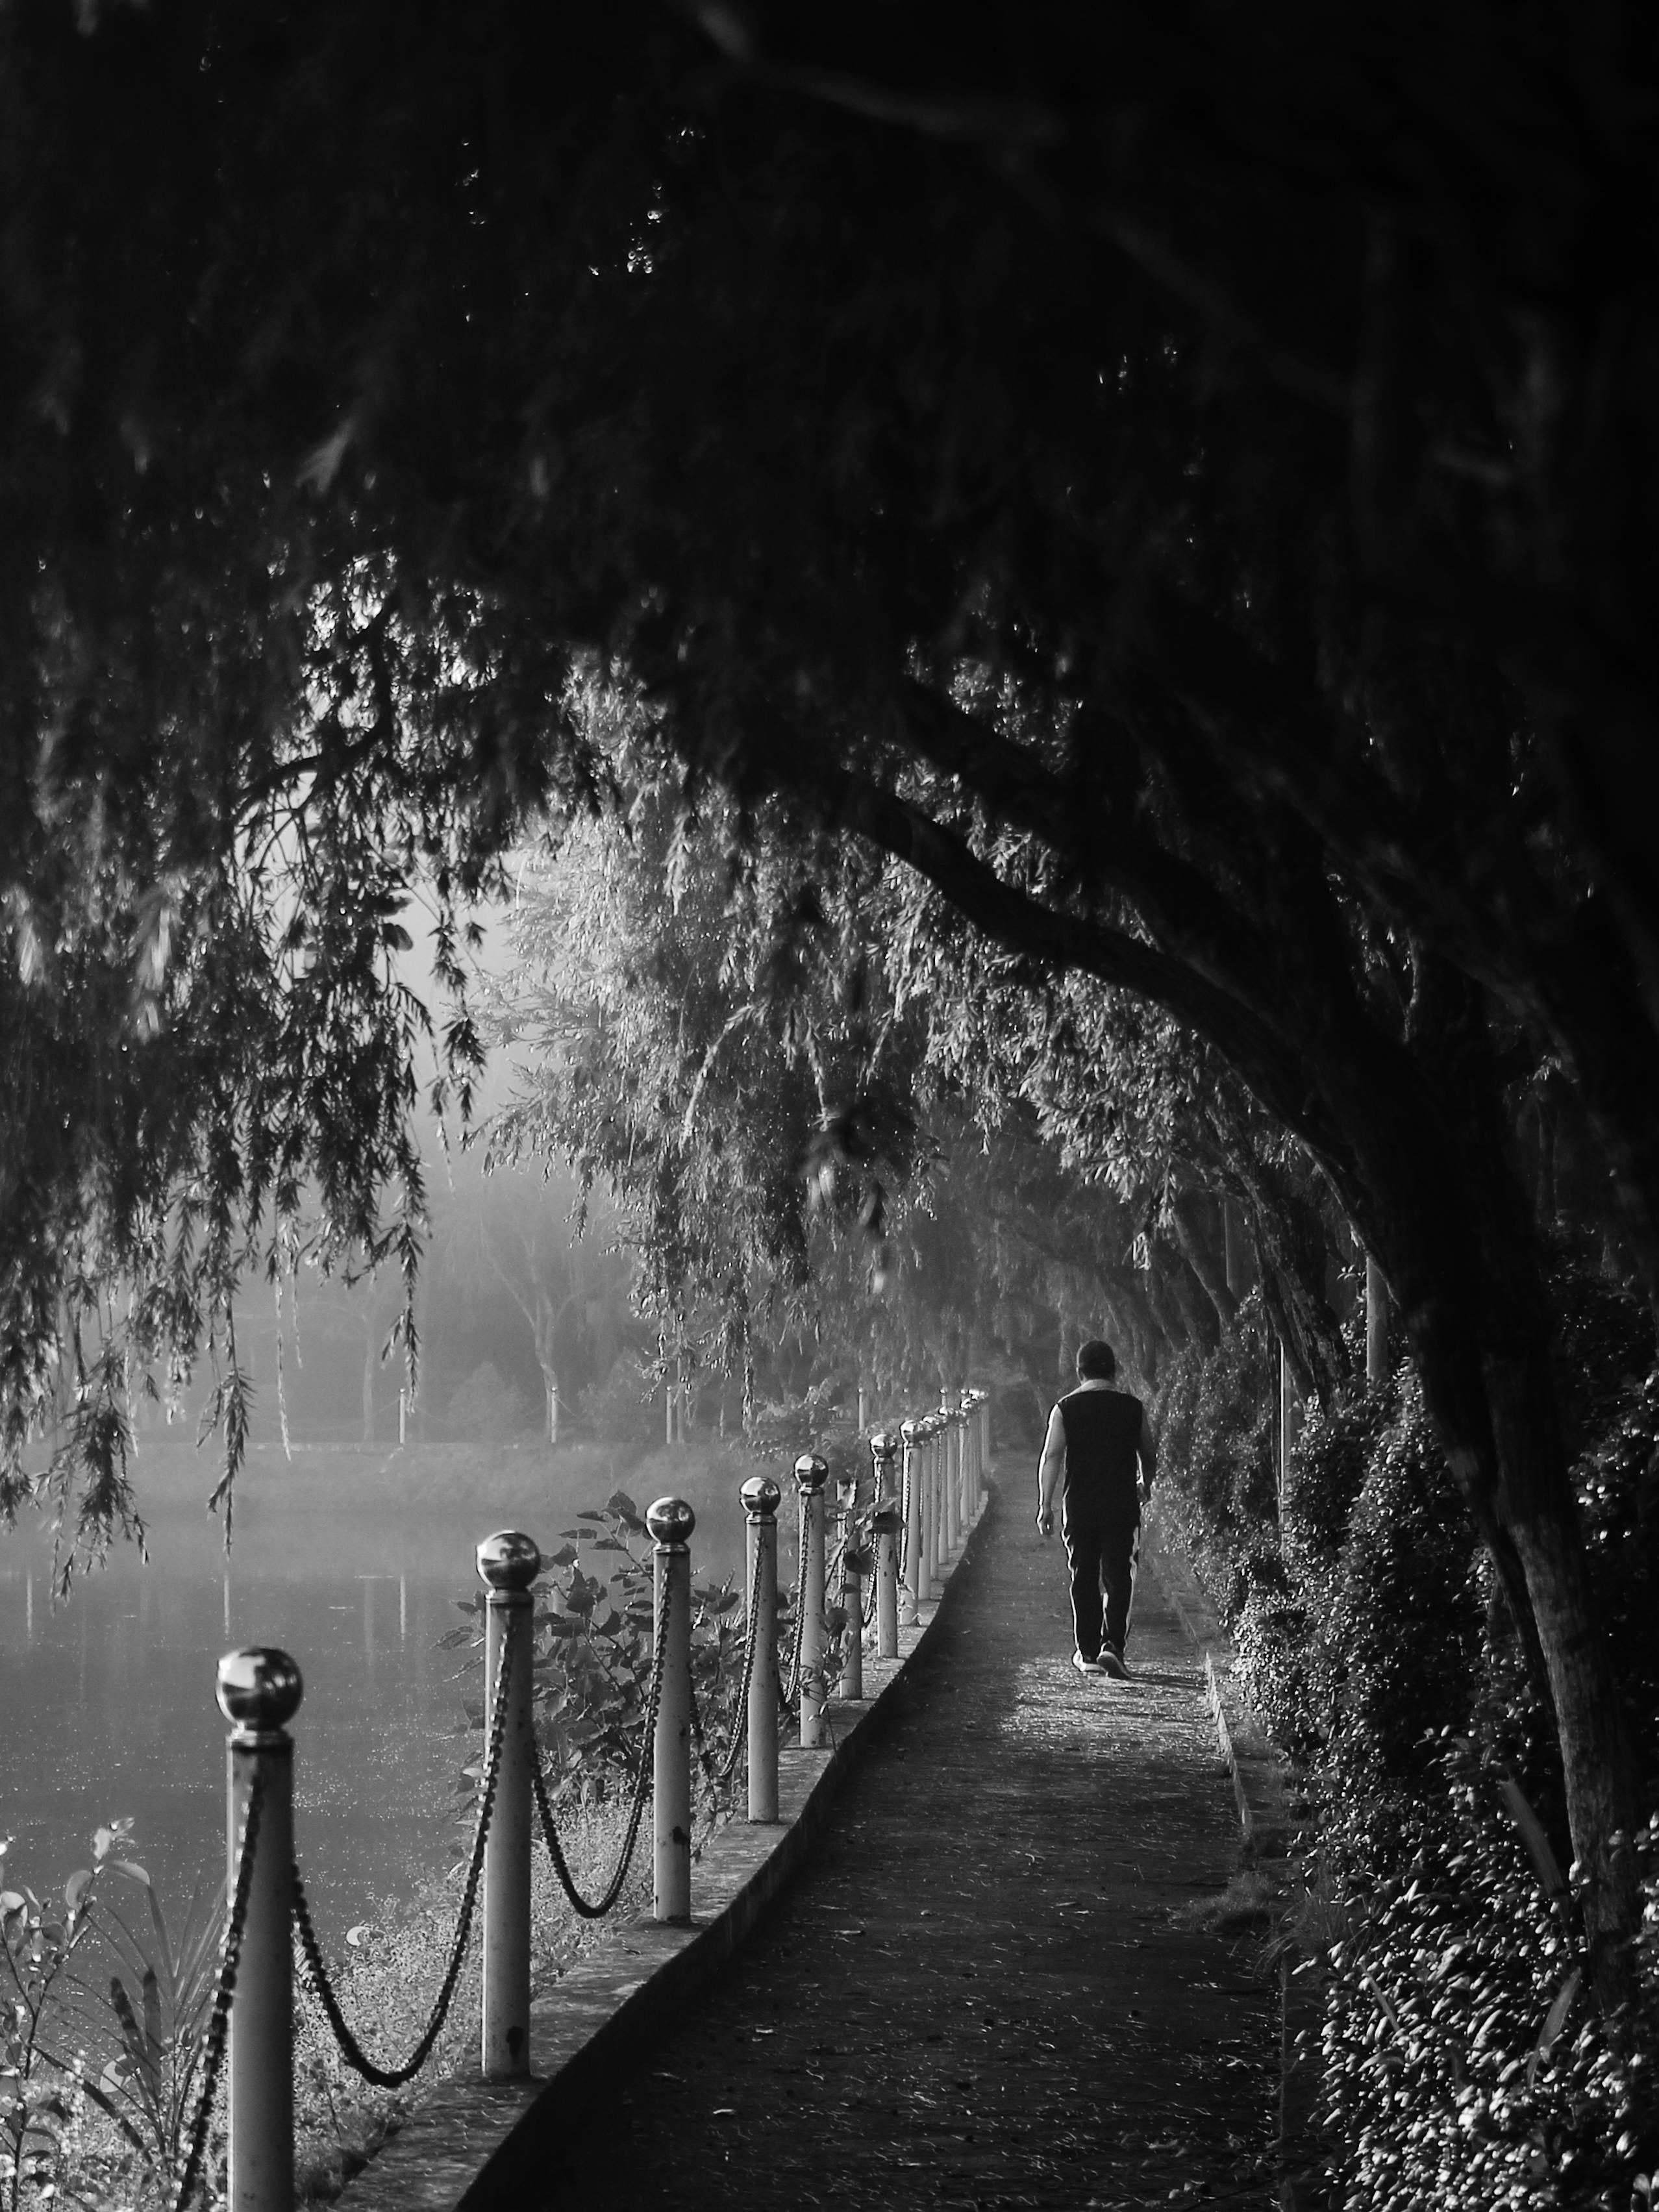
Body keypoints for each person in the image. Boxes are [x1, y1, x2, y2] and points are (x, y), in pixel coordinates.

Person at [1035, 1339, 1155, 1679]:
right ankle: (1112, 1646)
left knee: (1083, 1576)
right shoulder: (1133, 1408)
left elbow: (1052, 1456)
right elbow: (1148, 1453)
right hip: (1121, 1506)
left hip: (1080, 1506)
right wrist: (1145, 1483)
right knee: (1119, 1576)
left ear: (1080, 1372)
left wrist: (1045, 1505)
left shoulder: (1065, 1408)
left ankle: (1087, 1652)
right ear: (1114, 1371)